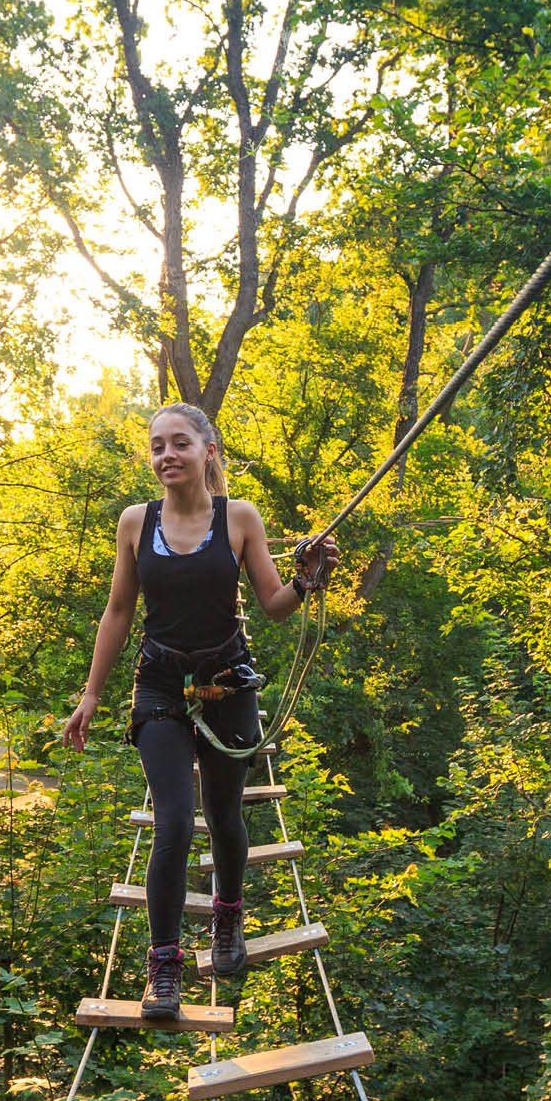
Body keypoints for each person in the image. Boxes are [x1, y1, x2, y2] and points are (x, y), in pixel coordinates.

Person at [62, 403, 338, 1019]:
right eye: (157, 445)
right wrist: (92, 695)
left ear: (207, 450)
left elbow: (273, 605)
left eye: (180, 443)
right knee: (174, 823)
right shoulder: (136, 522)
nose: (167, 455)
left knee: (223, 814)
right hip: (160, 683)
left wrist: (306, 581)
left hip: (228, 681)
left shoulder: (238, 518)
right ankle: (163, 969)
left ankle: (227, 916)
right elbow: (118, 611)